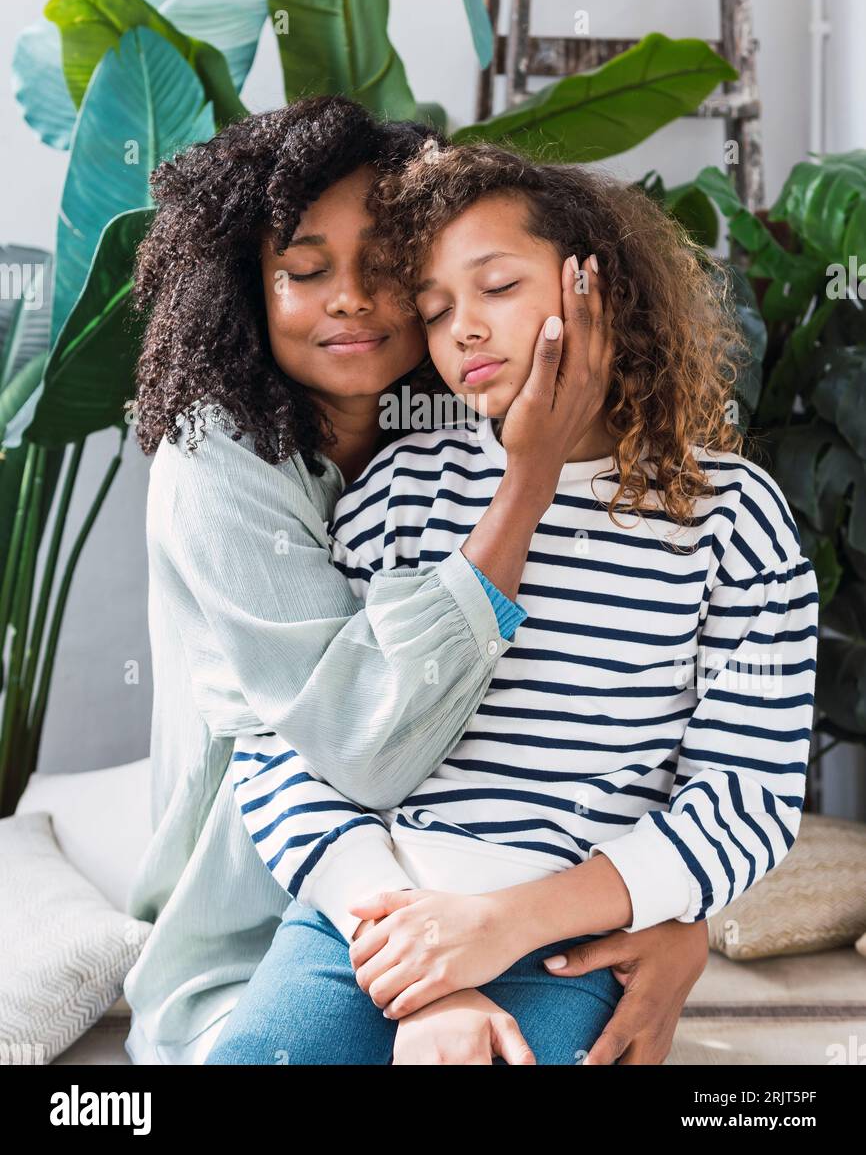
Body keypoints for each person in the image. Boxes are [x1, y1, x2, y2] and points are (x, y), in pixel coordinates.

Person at [123, 98, 709, 1065]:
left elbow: (614, 737)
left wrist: (680, 919)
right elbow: (351, 746)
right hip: (276, 899)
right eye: (304, 272)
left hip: (488, 900)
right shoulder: (213, 467)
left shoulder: (451, 419)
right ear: (244, 290)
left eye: (393, 276)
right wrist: (527, 483)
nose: (351, 300)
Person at [208, 143, 818, 1066]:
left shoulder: (732, 518)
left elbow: (747, 795)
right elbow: (284, 748)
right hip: (365, 922)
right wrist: (421, 955)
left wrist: (501, 926)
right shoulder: (404, 488)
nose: (463, 330)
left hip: (565, 943)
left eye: (495, 286)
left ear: (596, 288)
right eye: (436, 309)